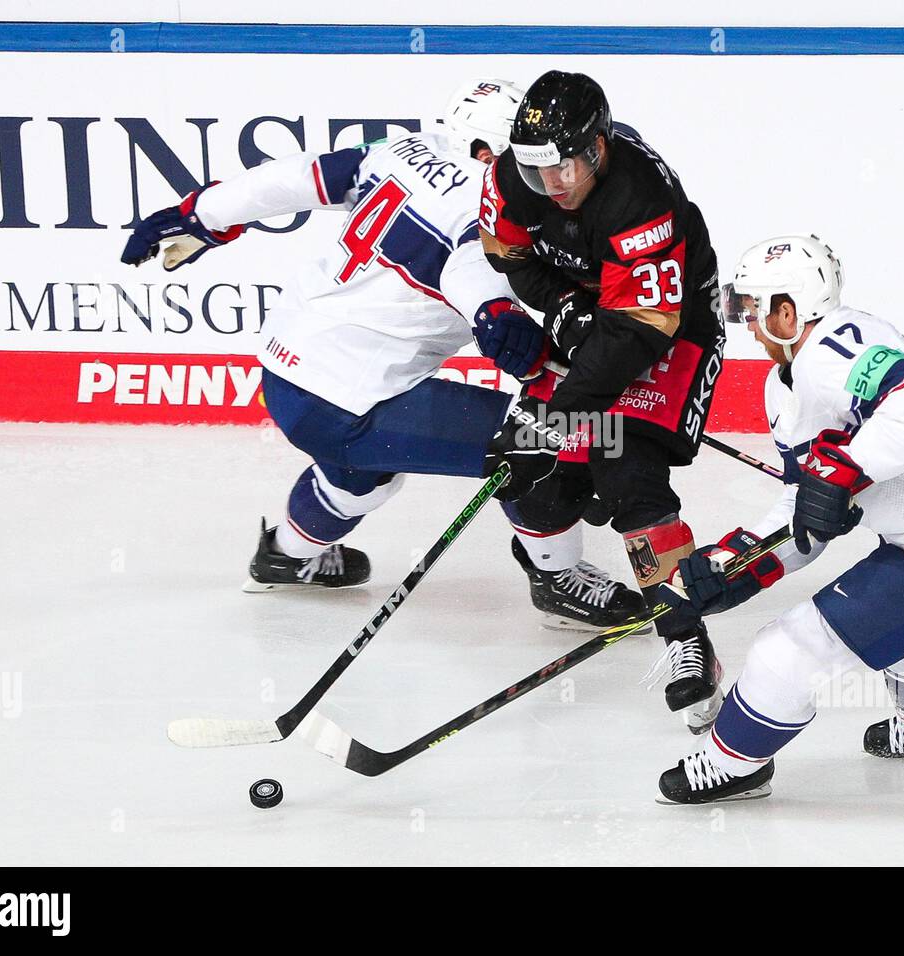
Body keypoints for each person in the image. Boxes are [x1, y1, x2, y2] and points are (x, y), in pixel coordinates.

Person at [120, 79, 643, 630]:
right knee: (539, 437)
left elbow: (297, 176)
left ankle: (286, 557)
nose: (544, 175)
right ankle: (557, 578)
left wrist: (203, 213)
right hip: (353, 398)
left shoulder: (400, 150)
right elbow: (471, 271)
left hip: (286, 372)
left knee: (359, 473)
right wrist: (501, 320)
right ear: (487, 152)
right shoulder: (491, 202)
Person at [655, 234, 904, 803]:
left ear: (788, 312)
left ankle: (734, 765)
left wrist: (843, 474)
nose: (748, 324)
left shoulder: (835, 348)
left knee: (785, 652)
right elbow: (809, 507)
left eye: (754, 309)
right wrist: (738, 563)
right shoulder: (787, 381)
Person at [475, 70, 728, 732]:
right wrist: (564, 306)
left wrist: (554, 419)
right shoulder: (511, 180)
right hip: (594, 311)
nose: (551, 183)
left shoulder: (641, 198)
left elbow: (636, 334)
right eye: (536, 169)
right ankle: (558, 576)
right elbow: (511, 258)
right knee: (531, 478)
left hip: (667, 323)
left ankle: (686, 636)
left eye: (565, 167)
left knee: (626, 466)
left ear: (599, 145)